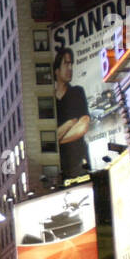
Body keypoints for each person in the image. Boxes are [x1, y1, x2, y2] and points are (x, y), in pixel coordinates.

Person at [54, 47, 90, 178]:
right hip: (60, 170)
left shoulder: (77, 92)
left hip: (81, 163)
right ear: (57, 70)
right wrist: (70, 123)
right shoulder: (49, 102)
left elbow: (83, 126)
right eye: (66, 63)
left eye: (71, 64)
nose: (70, 68)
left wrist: (57, 139)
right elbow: (49, 138)